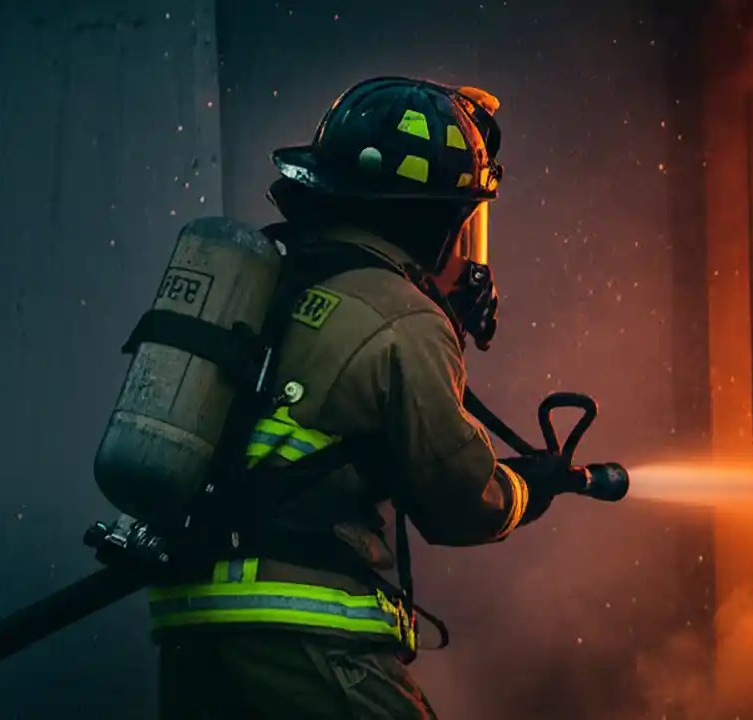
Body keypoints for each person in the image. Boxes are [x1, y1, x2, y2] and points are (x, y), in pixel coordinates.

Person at [152, 77, 569, 719]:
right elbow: (462, 502)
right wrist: (526, 488)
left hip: (194, 637)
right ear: (432, 219)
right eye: (461, 222)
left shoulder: (278, 277)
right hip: (306, 640)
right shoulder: (403, 317)